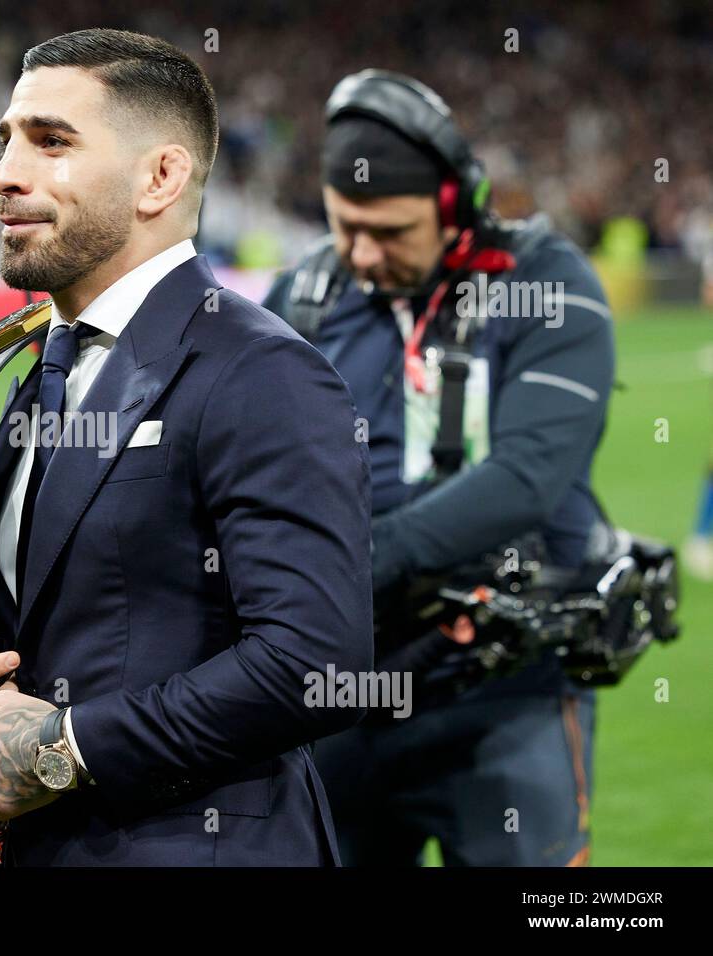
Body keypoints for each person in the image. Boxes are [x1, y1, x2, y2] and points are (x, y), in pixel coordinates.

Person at [0, 28, 373, 866]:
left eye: (51, 142)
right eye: (7, 142)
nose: (5, 173)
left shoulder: (260, 371)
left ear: (161, 177)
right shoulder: (32, 369)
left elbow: (313, 660)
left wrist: (65, 747)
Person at [263, 71, 615, 866]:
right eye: (345, 225)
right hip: (337, 700)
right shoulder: (303, 294)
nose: (361, 253)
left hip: (503, 694)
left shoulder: (546, 284)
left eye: (389, 232)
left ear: (455, 204)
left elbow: (529, 477)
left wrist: (347, 569)